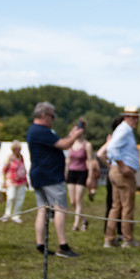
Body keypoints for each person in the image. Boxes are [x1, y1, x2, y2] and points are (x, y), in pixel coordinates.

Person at [26, 102, 85, 258]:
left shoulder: (35, 131)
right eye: (52, 116)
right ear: (44, 115)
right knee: (60, 208)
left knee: (42, 209)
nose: (53, 119)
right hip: (50, 176)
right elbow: (65, 145)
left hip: (39, 175)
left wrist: (71, 134)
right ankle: (63, 245)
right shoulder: (42, 131)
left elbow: (58, 143)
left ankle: (41, 244)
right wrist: (76, 135)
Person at [103, 106, 140, 248]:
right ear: (127, 117)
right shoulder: (124, 130)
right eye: (134, 117)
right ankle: (127, 239)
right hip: (122, 173)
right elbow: (112, 148)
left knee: (116, 206)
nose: (136, 120)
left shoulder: (123, 130)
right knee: (127, 207)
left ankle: (109, 238)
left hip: (117, 171)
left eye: (137, 117)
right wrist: (123, 166)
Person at [65, 127, 95, 233]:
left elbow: (90, 161)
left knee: (78, 200)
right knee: (72, 201)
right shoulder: (71, 144)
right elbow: (68, 159)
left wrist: (90, 177)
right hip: (72, 173)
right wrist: (65, 171)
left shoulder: (87, 145)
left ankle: (75, 224)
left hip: (82, 173)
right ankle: (84, 220)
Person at [1, 142, 28, 223]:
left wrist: (26, 180)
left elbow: (24, 168)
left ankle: (16, 215)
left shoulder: (21, 157)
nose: (18, 151)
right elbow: (4, 170)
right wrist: (4, 181)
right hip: (11, 180)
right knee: (11, 197)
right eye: (16, 149)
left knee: (20, 198)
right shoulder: (9, 158)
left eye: (19, 149)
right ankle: (7, 213)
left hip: (22, 181)